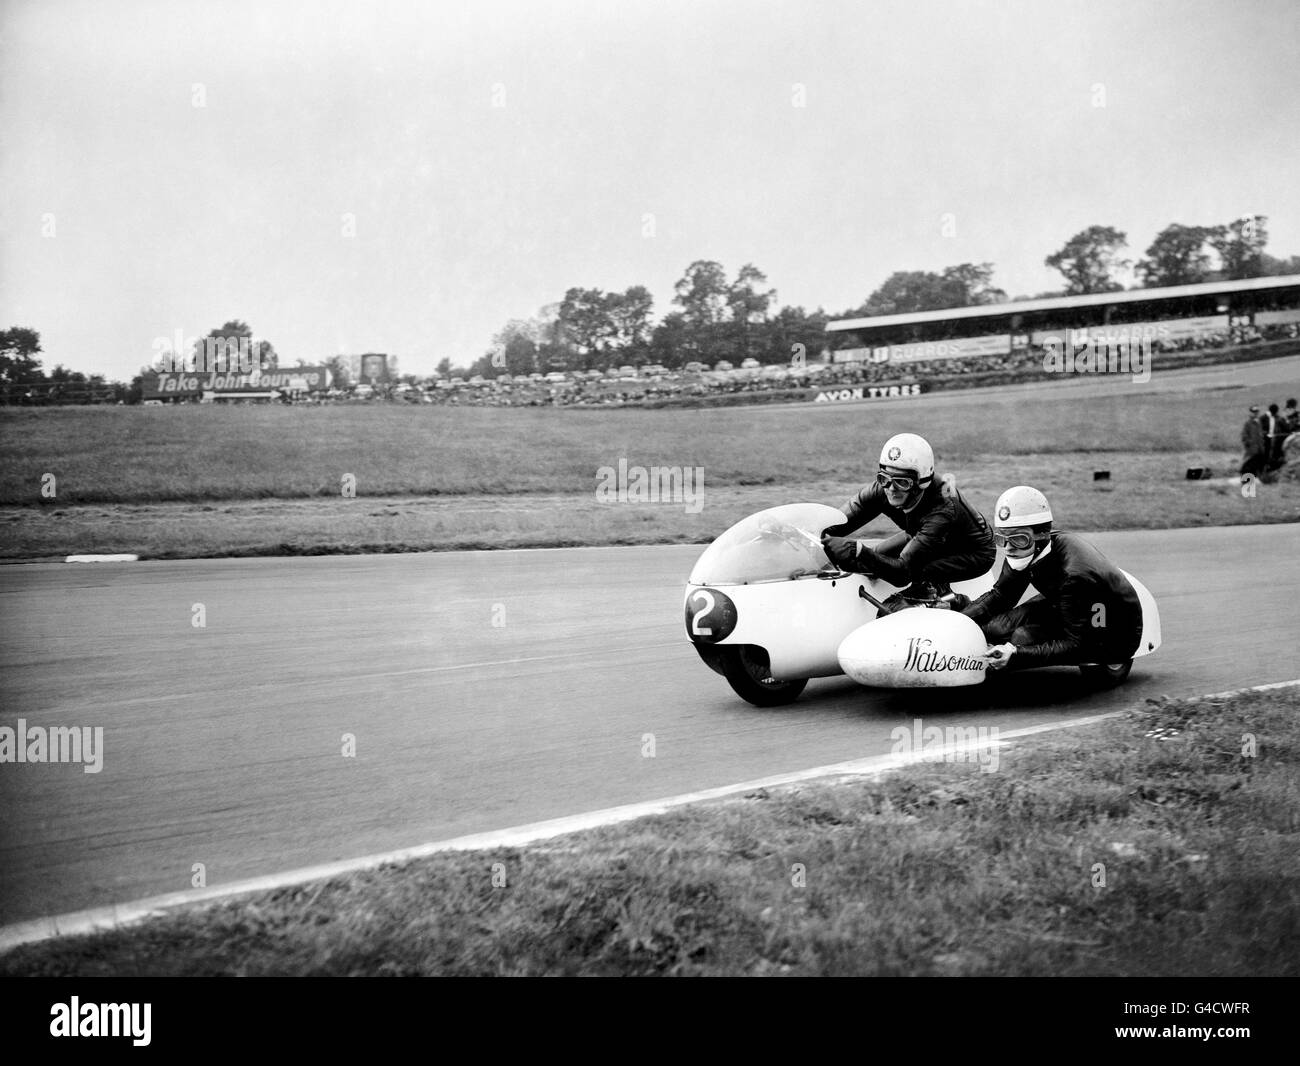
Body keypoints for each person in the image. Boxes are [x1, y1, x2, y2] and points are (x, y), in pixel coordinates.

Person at [962, 486, 1143, 672]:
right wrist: (958, 621)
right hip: (1065, 603)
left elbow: (1077, 644)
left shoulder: (1074, 575)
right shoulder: (1027, 551)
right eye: (1002, 539)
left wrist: (1016, 653)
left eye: (1019, 539)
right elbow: (1002, 595)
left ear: (1042, 536)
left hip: (1112, 628)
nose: (1008, 548)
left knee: (1021, 638)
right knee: (995, 628)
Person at [820, 432, 996, 612]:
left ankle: (952, 601)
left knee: (916, 569)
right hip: (923, 534)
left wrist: (857, 551)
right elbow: (835, 523)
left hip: (972, 553)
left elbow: (902, 574)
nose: (891, 489)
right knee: (870, 563)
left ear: (922, 482)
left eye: (902, 482)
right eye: (884, 478)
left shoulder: (942, 509)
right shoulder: (882, 488)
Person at [1240, 404, 1267, 481]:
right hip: (1252, 449)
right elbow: (1244, 436)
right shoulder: (1248, 423)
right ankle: (1247, 479)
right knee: (1249, 464)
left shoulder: (1259, 423)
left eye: (1256, 412)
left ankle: (1257, 479)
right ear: (1250, 413)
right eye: (1253, 412)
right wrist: (1249, 443)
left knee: (1258, 464)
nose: (1255, 413)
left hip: (1259, 448)